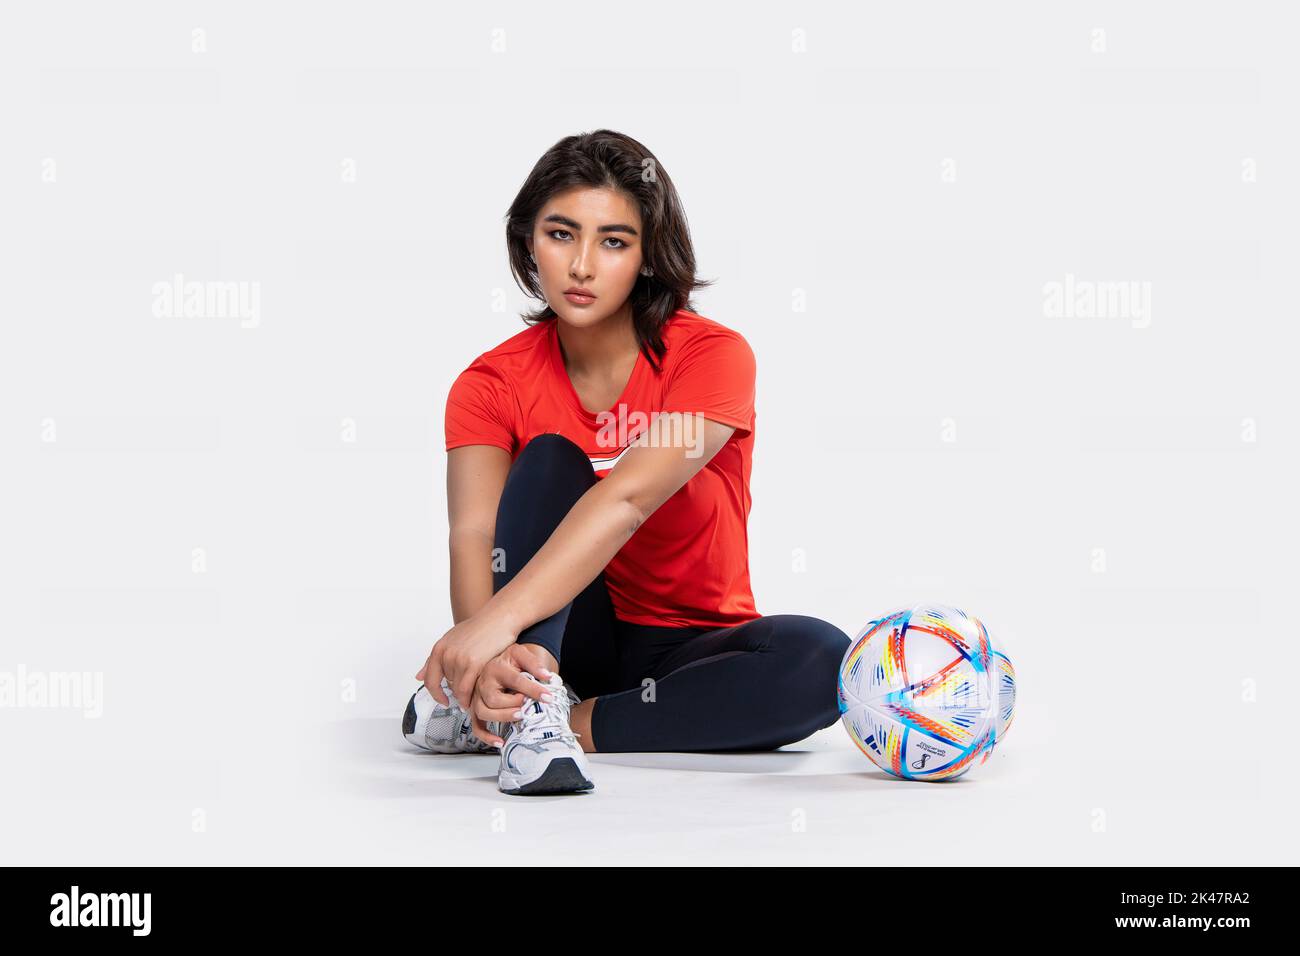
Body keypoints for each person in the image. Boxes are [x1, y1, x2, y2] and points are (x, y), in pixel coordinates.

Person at [402, 129, 850, 795]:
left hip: (684, 650)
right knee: (551, 460)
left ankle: (538, 716)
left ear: (646, 257)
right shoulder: (489, 383)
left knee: (822, 662)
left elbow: (628, 500)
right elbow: (473, 533)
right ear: (528, 241)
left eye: (613, 241)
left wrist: (490, 641)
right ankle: (518, 695)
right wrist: (488, 652)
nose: (582, 265)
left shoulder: (711, 356)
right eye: (561, 234)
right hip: (570, 633)